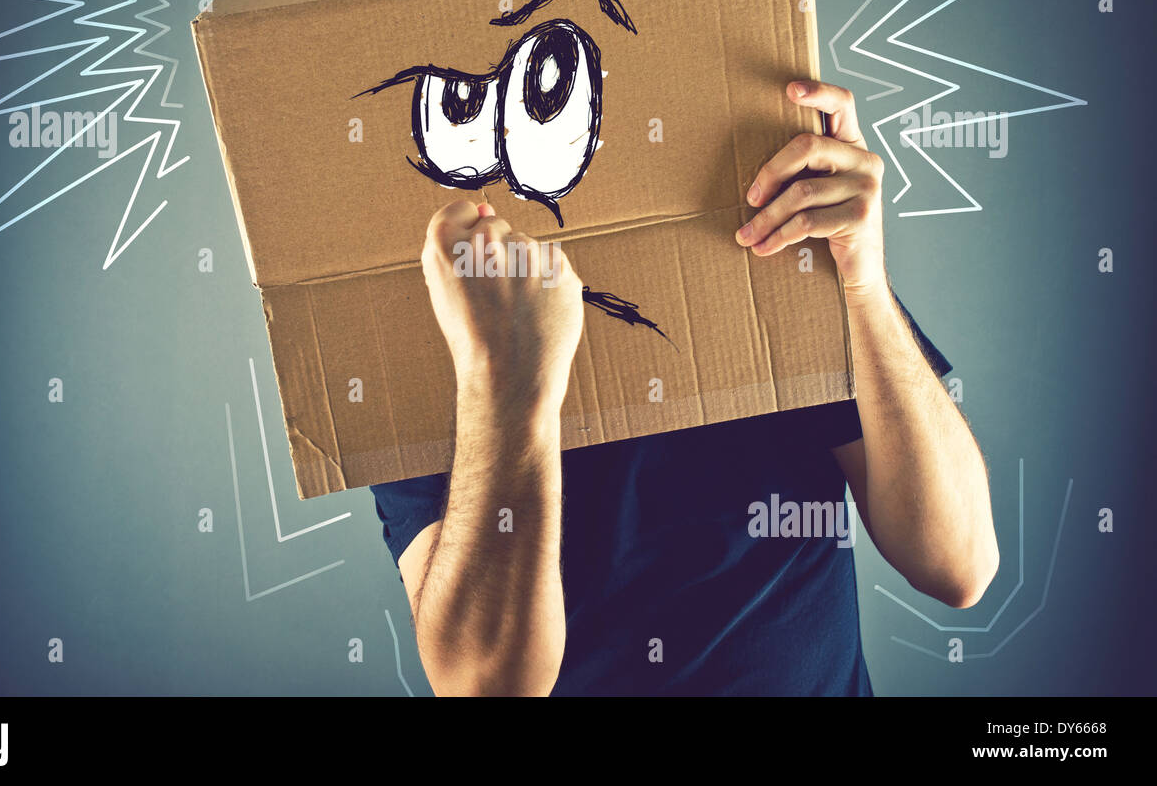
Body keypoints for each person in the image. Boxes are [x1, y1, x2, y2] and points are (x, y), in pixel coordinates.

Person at [370, 80, 1000, 696]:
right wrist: (506, 382)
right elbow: (486, 686)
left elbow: (959, 564)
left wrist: (861, 277)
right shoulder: (424, 341)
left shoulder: (772, 252)